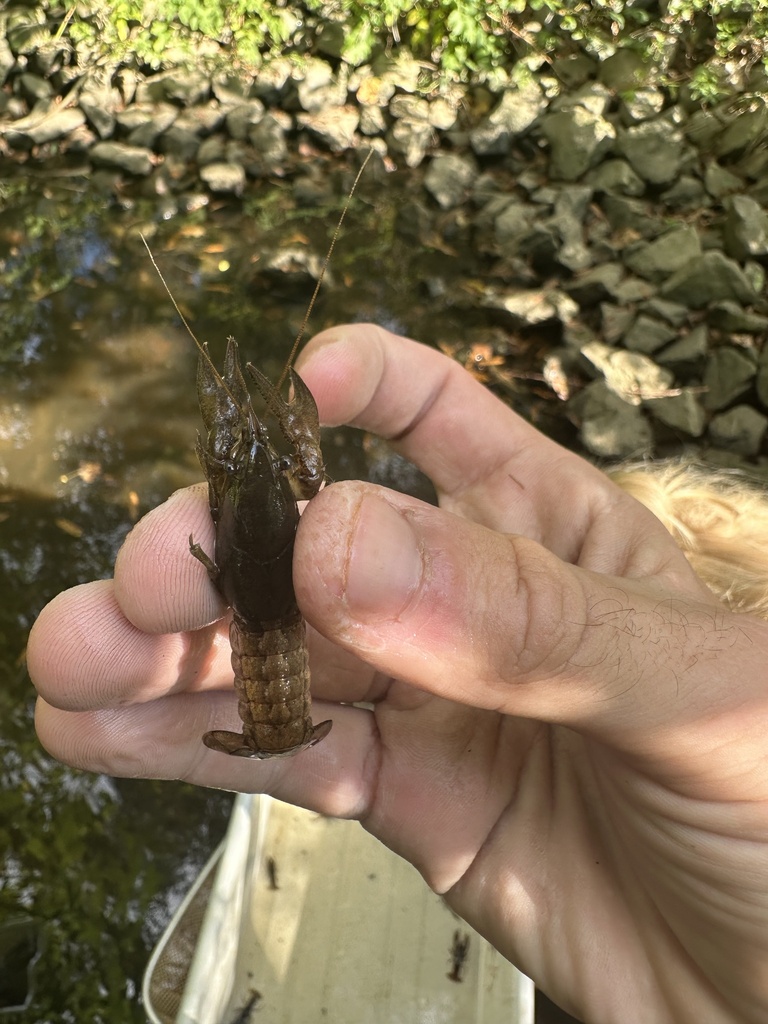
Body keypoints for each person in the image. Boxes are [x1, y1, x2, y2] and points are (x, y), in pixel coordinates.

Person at [27, 324, 768, 1024]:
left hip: (264, 632)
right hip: (267, 633)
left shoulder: (228, 503)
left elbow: (233, 516)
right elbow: (285, 495)